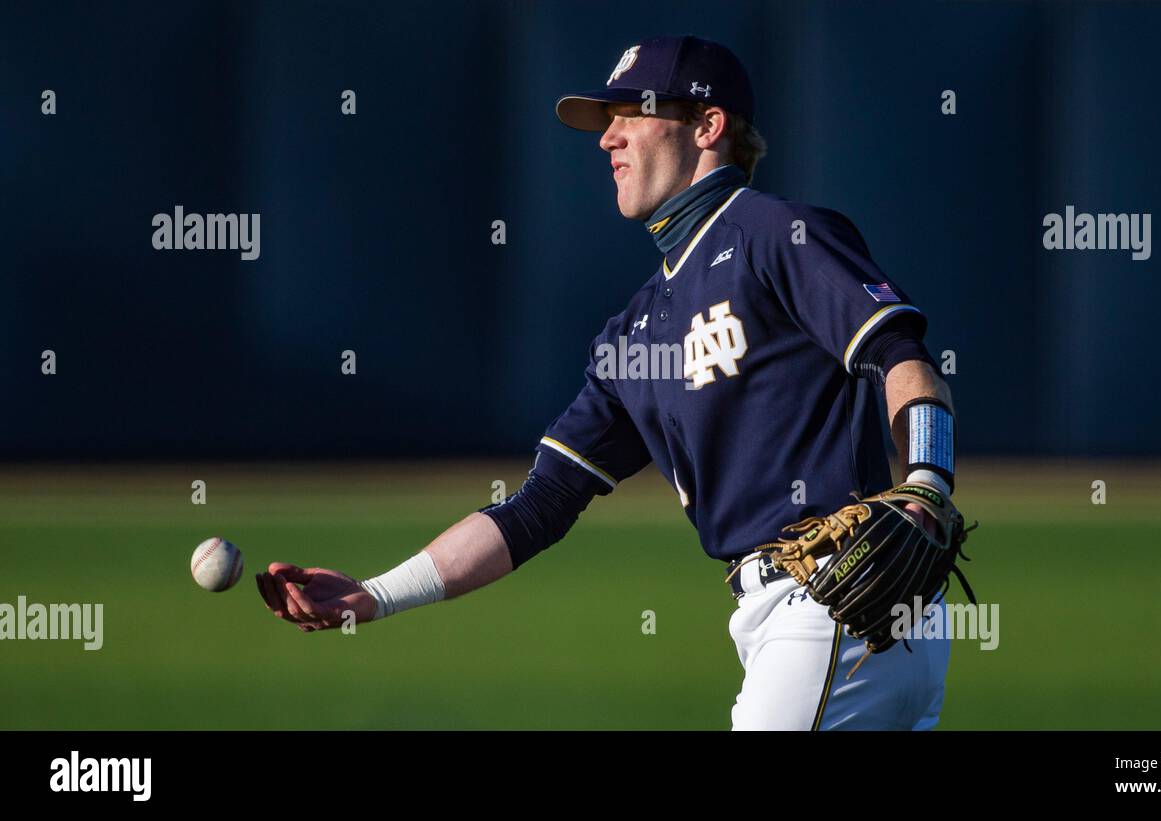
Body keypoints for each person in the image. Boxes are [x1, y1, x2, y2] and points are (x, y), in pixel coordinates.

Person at [256, 35, 959, 731]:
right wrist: (373, 595)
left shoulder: (776, 234)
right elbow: (537, 507)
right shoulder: (635, 333)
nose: (607, 139)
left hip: (835, 602)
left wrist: (928, 483)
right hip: (818, 620)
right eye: (605, 121)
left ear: (708, 126)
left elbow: (899, 352)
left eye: (630, 113)